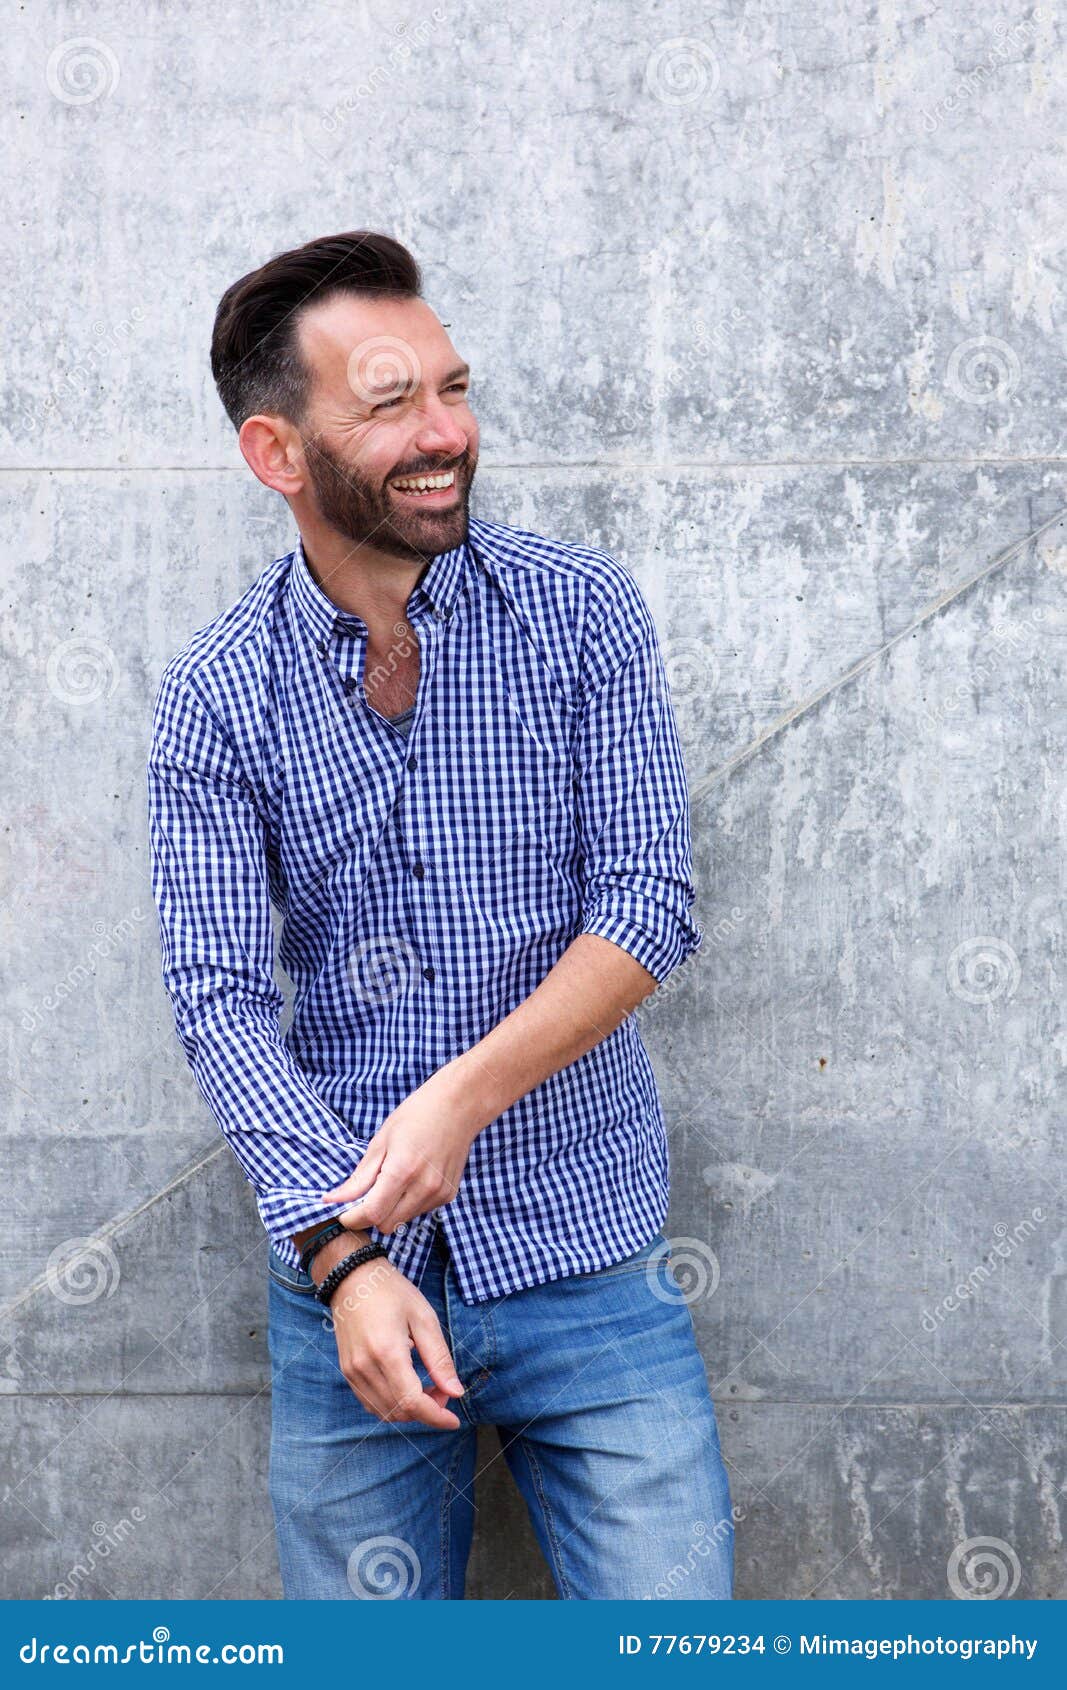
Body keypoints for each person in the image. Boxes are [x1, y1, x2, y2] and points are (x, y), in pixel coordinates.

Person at [146, 230, 733, 1601]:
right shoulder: (216, 693)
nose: (447, 433)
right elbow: (219, 999)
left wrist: (460, 1100)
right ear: (278, 453)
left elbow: (650, 901)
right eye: (392, 402)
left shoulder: (580, 613)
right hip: (349, 1285)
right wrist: (343, 1257)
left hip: (590, 1254)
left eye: (454, 388)